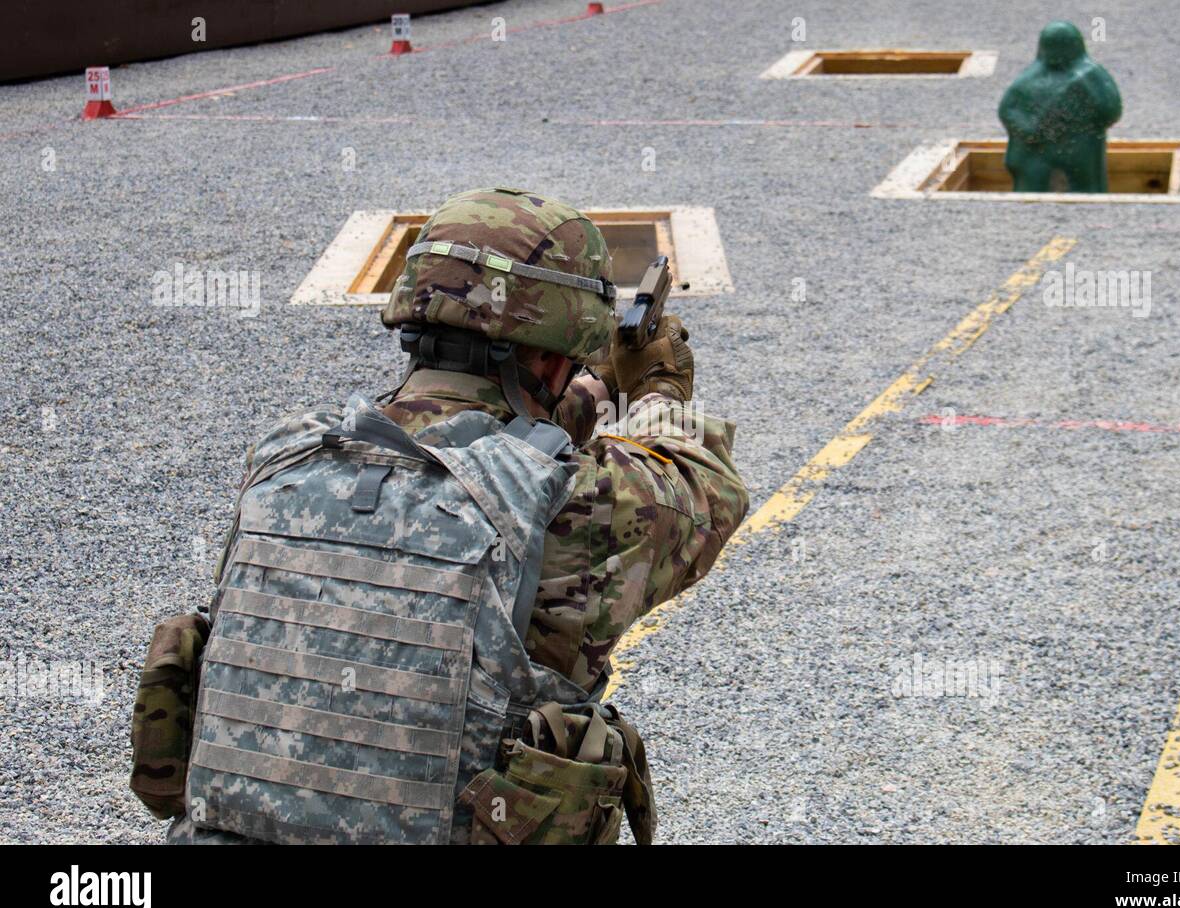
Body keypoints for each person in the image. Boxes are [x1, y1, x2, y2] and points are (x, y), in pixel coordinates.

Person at [149, 187, 748, 844]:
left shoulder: (280, 461)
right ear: (552, 355)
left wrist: (592, 383)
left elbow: (469, 434)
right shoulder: (567, 505)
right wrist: (657, 382)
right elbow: (706, 488)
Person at [998, 21, 1123, 193]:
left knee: (1086, 193)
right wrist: (1027, 130)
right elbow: (1007, 109)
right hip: (1036, 153)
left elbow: (1111, 110)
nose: (1056, 54)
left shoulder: (1091, 76)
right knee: (1032, 189)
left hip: (1080, 149)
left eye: (1062, 46)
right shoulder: (1031, 78)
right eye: (1052, 47)